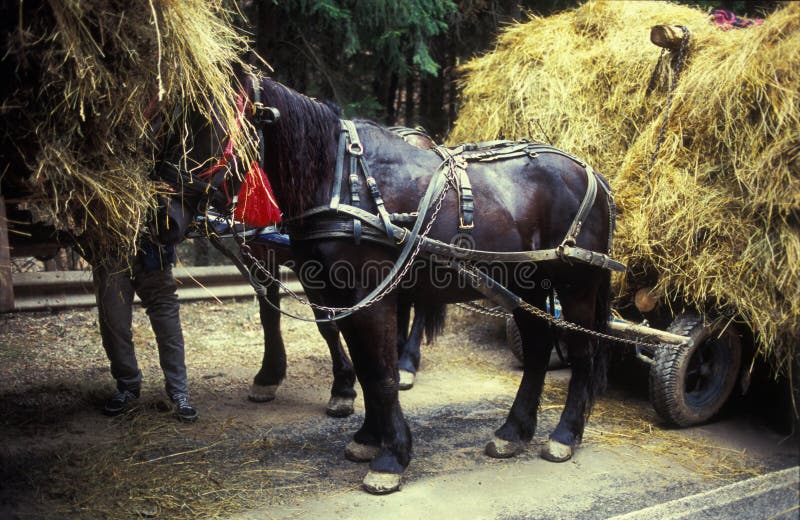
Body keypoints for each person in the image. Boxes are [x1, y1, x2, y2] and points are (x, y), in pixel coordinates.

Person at [92, 237, 198, 422]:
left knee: (168, 326)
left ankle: (179, 393)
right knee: (113, 322)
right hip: (111, 250)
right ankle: (128, 387)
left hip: (154, 249)